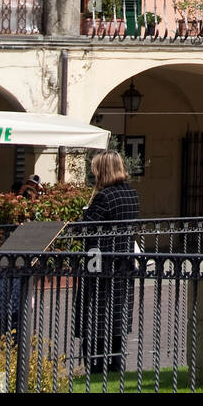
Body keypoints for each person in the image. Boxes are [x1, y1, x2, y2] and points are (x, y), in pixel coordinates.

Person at [73, 150, 139, 375]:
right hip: (123, 264)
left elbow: (85, 228)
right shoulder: (131, 193)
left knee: (95, 318)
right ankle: (115, 366)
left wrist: (82, 217)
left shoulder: (105, 196)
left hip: (101, 265)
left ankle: (96, 366)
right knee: (118, 318)